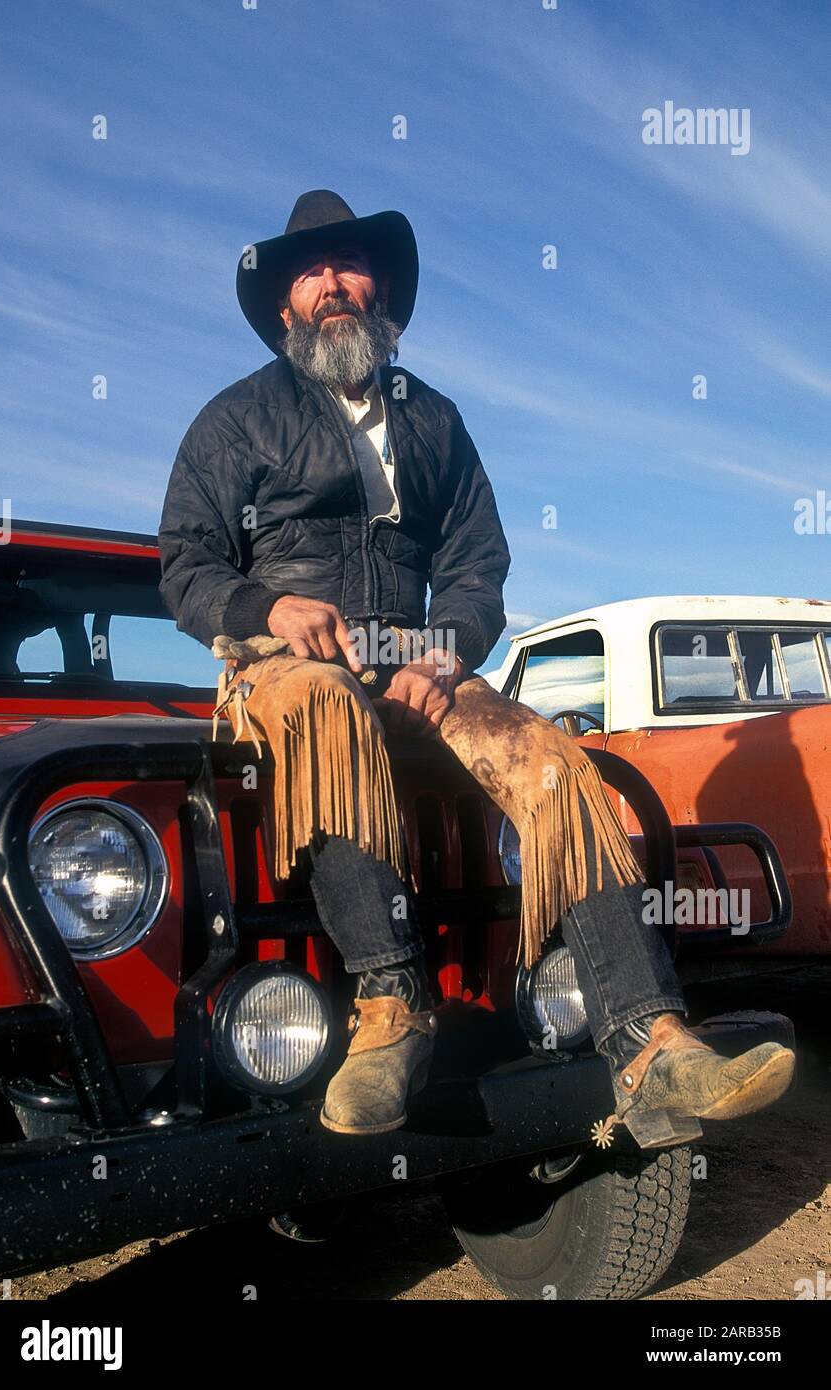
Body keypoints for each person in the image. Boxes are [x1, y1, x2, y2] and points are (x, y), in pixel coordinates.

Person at [158, 189, 793, 1142]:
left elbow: (476, 565)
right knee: (329, 701)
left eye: (349, 264)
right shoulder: (233, 420)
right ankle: (391, 1007)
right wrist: (267, 609)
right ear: (285, 303)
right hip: (282, 671)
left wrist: (445, 655)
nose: (332, 283)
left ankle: (648, 1041)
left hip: (417, 666)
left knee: (552, 757)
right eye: (311, 270)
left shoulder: (436, 422)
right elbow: (186, 562)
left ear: (379, 289)